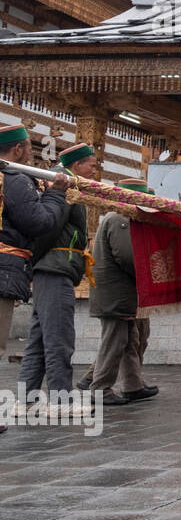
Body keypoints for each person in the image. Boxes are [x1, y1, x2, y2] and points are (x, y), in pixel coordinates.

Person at [19, 143, 94, 411]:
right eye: (91, 165)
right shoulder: (62, 188)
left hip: (51, 270)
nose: (94, 171)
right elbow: (49, 226)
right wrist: (37, 260)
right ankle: (61, 399)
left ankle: (26, 398)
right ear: (76, 166)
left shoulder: (67, 185)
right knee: (59, 338)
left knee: (40, 339)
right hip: (55, 269)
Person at [0, 124, 70, 379]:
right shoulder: (15, 180)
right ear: (18, 149)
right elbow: (39, 223)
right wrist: (55, 195)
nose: (32, 150)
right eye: (30, 145)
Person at [88, 180, 160, 407]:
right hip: (116, 292)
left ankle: (132, 384)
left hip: (121, 293)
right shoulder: (120, 218)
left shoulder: (117, 216)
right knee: (115, 340)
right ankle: (100, 387)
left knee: (130, 338)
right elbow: (128, 257)